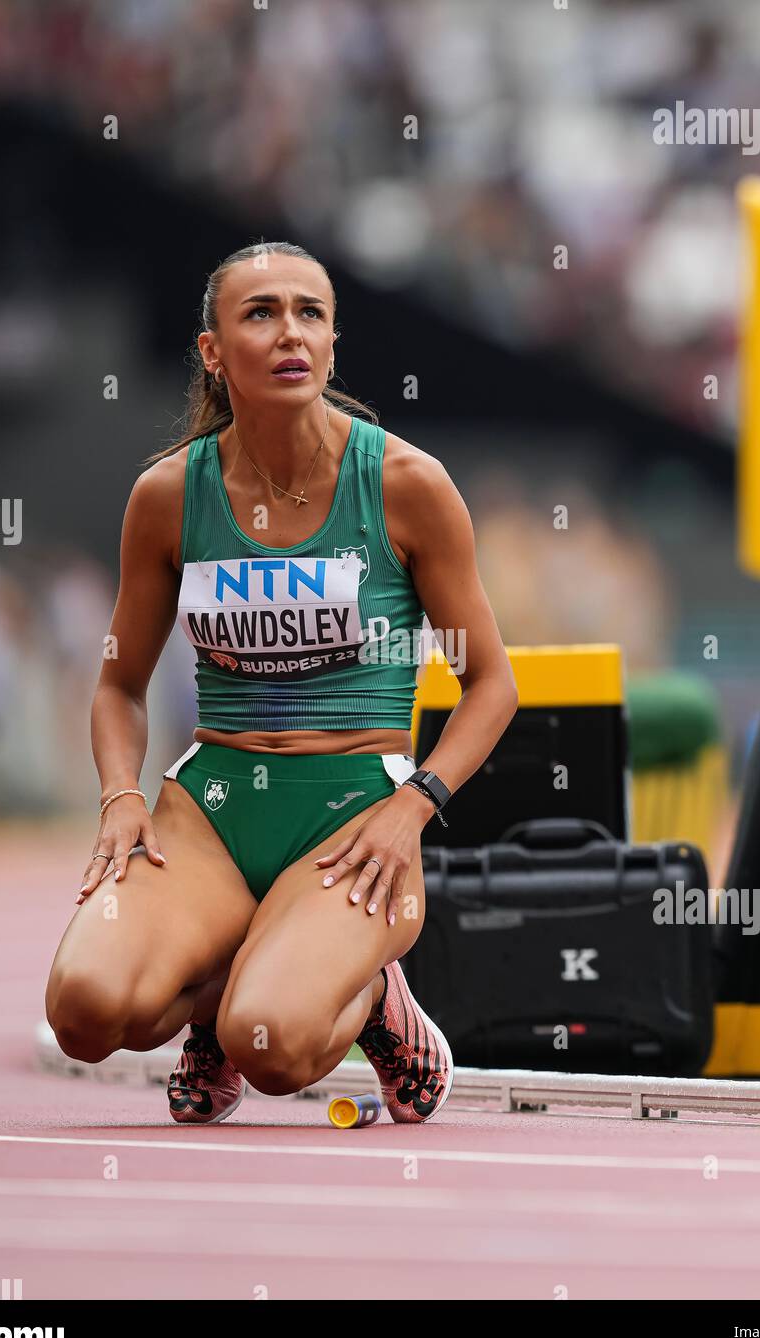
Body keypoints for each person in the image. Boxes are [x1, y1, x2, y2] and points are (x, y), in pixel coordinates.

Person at [44, 241, 518, 1125]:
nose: (289, 332)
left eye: (310, 313)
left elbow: (491, 683)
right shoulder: (167, 496)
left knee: (274, 1047)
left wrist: (415, 805)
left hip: (355, 819)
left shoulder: (407, 485)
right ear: (213, 352)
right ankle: (219, 996)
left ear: (333, 343)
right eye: (260, 313)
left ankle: (375, 1001)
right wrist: (119, 797)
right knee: (84, 1012)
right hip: (213, 809)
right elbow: (119, 686)